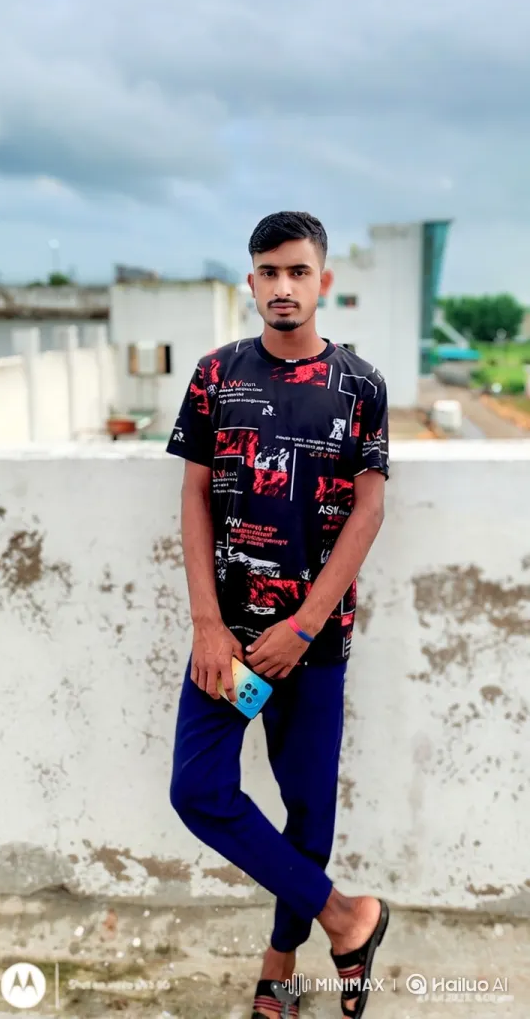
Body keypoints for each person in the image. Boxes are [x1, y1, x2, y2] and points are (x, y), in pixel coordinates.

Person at [166, 211, 390, 1018]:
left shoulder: (359, 384)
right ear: (251, 280)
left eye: (298, 271)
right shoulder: (216, 375)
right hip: (223, 638)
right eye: (269, 271)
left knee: (307, 811)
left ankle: (280, 965)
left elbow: (367, 513)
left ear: (322, 279)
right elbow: (193, 495)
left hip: (314, 643)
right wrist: (205, 622)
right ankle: (348, 918)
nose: (283, 286)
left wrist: (302, 627)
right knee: (198, 791)